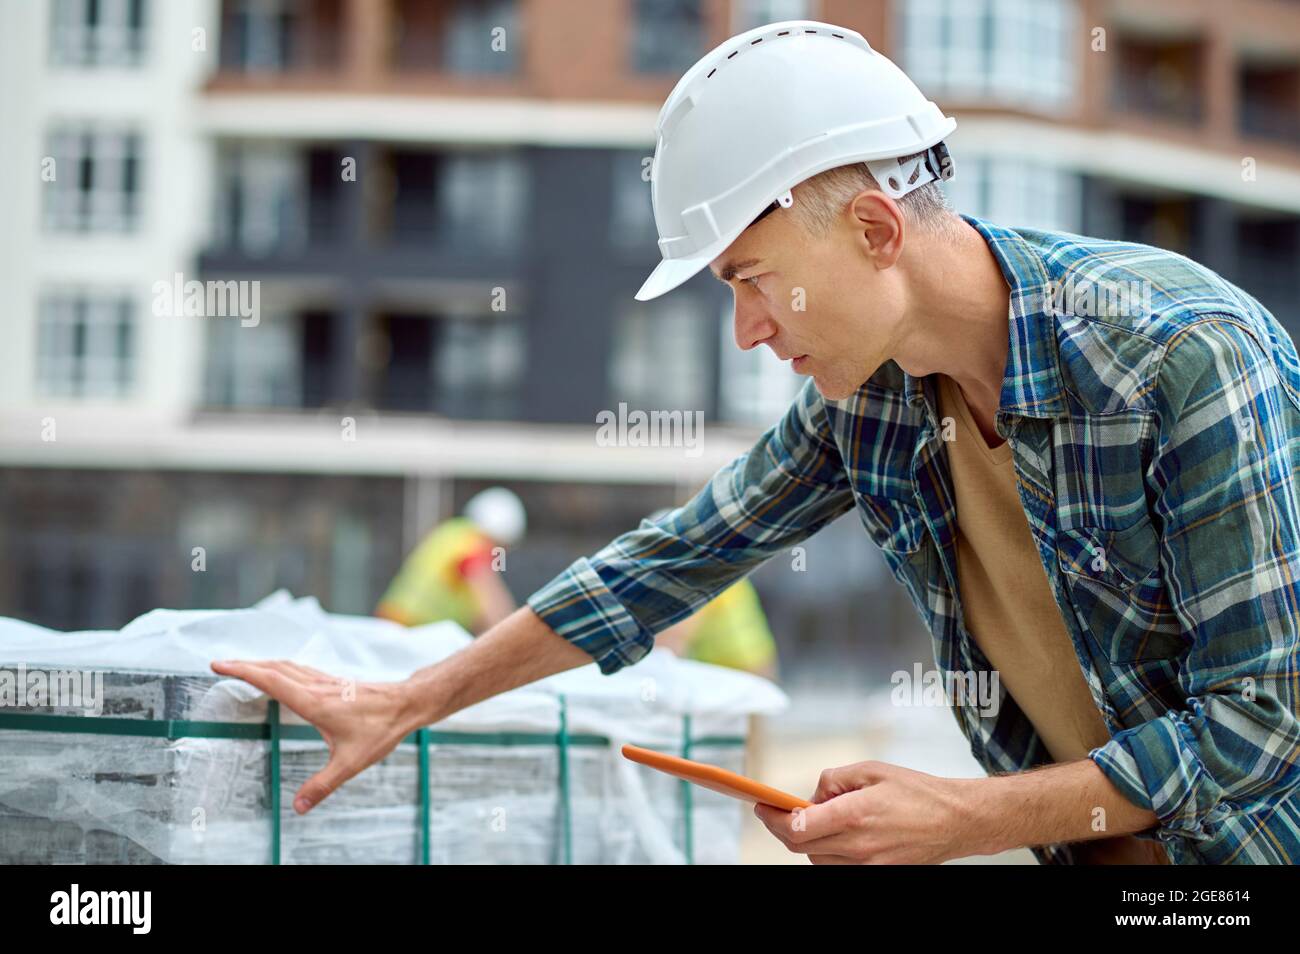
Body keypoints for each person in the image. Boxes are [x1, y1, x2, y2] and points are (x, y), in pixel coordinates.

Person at [214, 20, 1300, 865]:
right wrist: (403, 703)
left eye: (745, 279)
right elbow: (663, 565)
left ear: (874, 230)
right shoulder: (870, 398)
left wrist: (958, 819)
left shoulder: (1181, 358)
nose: (746, 331)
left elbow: (1258, 729)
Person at [646, 510, 778, 680]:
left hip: (741, 679)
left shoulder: (702, 576)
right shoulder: (712, 566)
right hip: (744, 673)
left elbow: (672, 643)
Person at [375, 487, 524, 635]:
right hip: (410, 629)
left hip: (399, 624)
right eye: (502, 548)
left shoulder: (454, 533)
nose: (500, 555)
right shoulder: (474, 544)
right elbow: (492, 604)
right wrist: (513, 634)